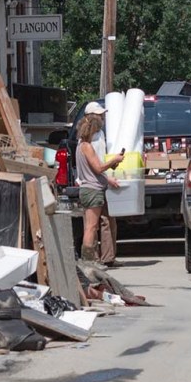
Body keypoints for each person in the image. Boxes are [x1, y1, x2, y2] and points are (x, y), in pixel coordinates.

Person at [75, 103, 124, 264]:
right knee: (91, 227)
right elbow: (98, 167)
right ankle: (88, 261)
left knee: (93, 226)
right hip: (92, 189)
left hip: (91, 188)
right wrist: (114, 160)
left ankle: (92, 260)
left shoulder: (81, 145)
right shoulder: (87, 146)